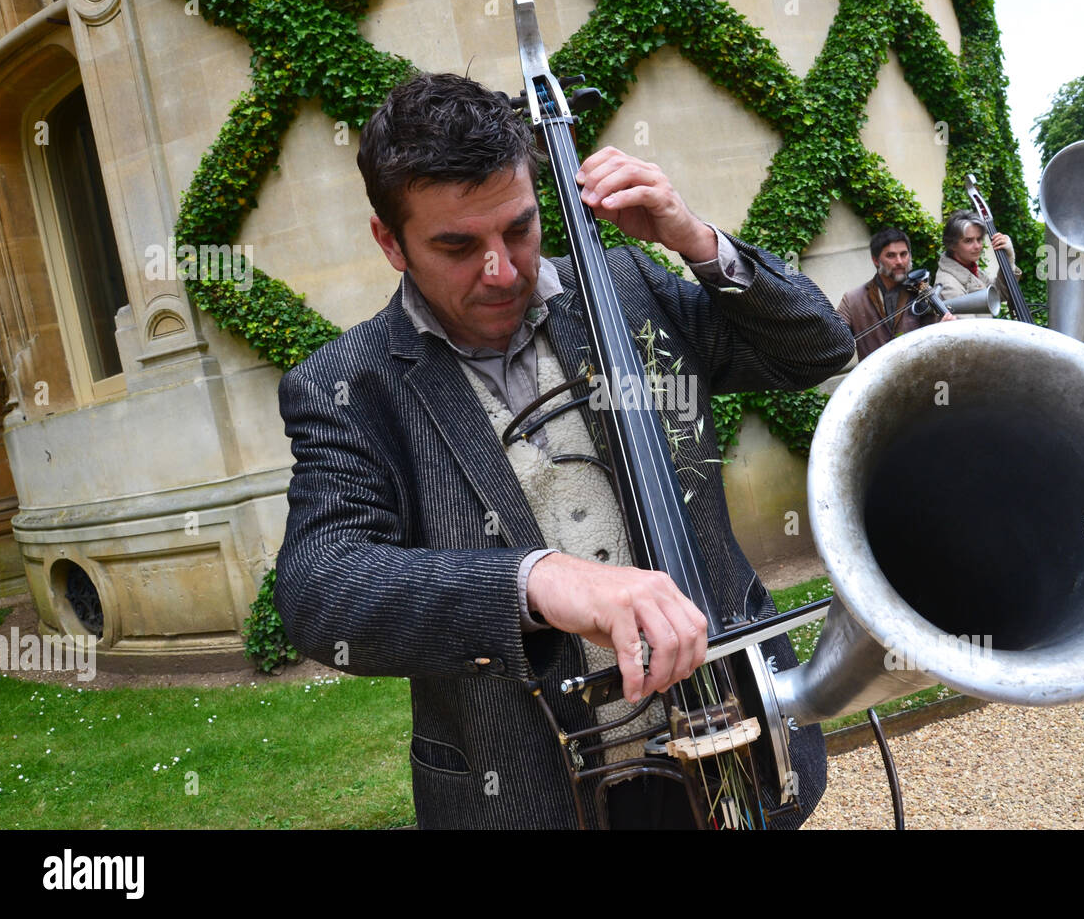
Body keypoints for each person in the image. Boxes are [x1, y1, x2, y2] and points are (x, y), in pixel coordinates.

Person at [271, 73, 853, 829]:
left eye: (519, 228)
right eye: (457, 244)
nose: (501, 270)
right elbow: (321, 587)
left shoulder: (629, 284)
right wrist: (536, 579)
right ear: (390, 241)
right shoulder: (345, 384)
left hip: (736, 736)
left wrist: (692, 237)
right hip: (534, 794)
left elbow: (817, 347)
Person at [837, 227, 954, 362]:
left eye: (903, 254)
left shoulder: (923, 293)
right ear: (875, 260)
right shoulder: (852, 300)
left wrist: (944, 330)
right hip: (876, 381)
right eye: (891, 255)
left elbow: (941, 345)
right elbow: (834, 340)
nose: (899, 261)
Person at [934, 209, 1019, 306]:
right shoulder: (948, 285)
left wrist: (1009, 256)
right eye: (968, 241)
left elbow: (999, 293)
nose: (977, 246)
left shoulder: (971, 269)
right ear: (952, 245)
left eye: (979, 239)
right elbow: (970, 321)